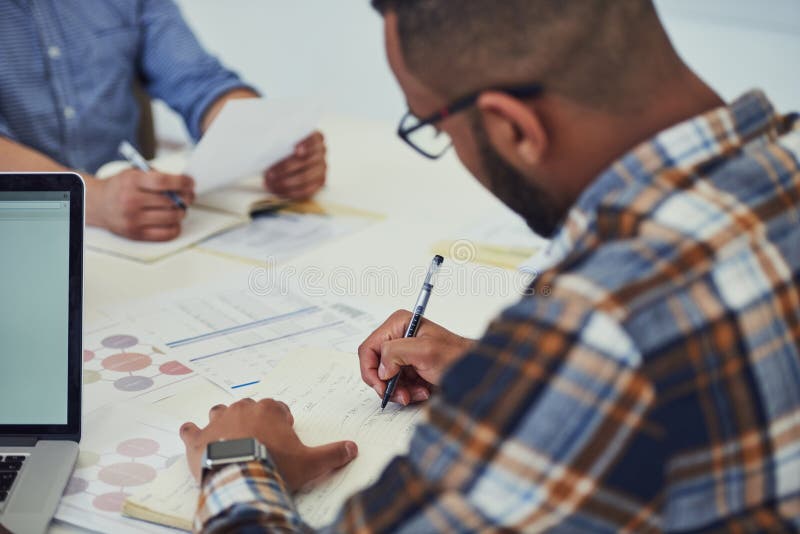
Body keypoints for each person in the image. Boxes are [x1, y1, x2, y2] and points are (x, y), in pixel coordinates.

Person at [179, 0, 800, 532]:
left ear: (514, 129)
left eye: (433, 126)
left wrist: (236, 460)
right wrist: (497, 368)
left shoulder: (602, 329)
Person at [0, 0, 326, 241]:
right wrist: (93, 199)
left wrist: (268, 140)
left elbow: (200, 80)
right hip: (19, 234)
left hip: (138, 229)